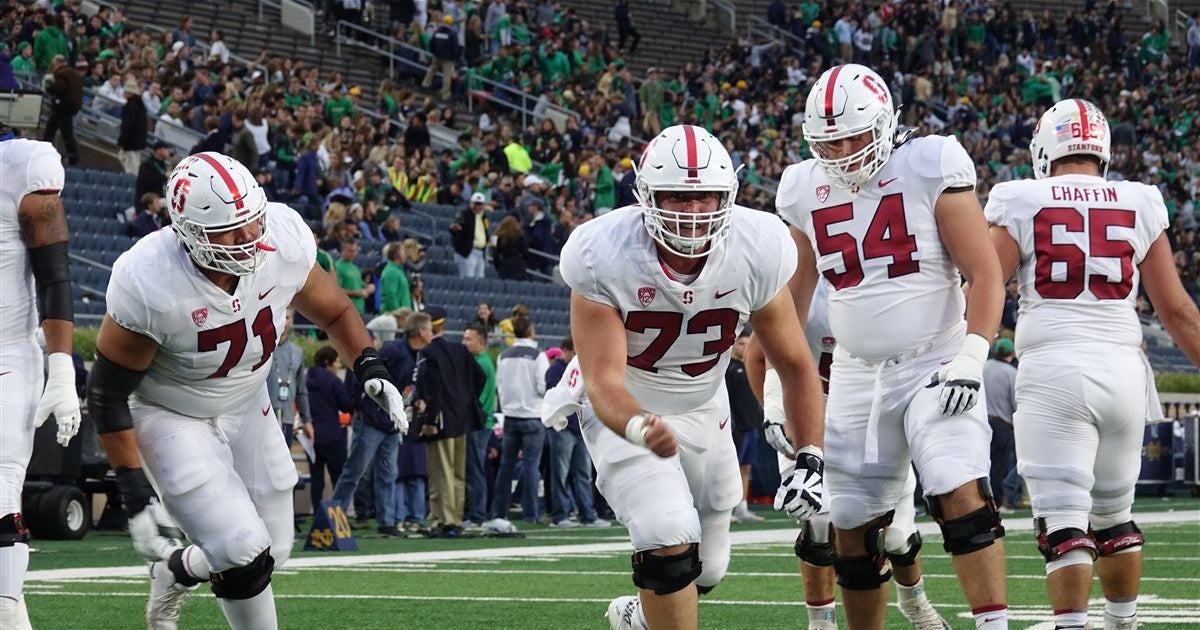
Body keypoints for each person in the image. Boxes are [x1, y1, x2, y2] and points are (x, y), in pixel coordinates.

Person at [85, 152, 408, 630]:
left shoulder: (281, 236)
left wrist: (368, 365)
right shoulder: (150, 280)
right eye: (231, 231)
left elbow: (335, 311)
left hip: (246, 395)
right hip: (170, 411)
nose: (250, 238)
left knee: (272, 547)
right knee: (240, 547)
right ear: (189, 233)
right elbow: (107, 394)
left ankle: (177, 569)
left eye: (252, 221)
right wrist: (133, 492)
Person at [560, 124, 826, 630]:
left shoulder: (758, 245)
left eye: (705, 196)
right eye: (677, 198)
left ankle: (640, 616)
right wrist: (640, 426)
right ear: (646, 196)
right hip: (626, 405)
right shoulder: (603, 252)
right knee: (666, 530)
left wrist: (811, 454)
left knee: (710, 567)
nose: (693, 211)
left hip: (705, 402)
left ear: (728, 195)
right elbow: (604, 381)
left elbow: (793, 364)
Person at [775, 64, 1007, 630]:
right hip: (856, 374)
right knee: (850, 524)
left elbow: (985, 273)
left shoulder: (928, 163)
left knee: (958, 488)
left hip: (936, 357)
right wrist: (773, 401)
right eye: (831, 140)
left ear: (886, 123)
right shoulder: (804, 186)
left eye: (855, 135)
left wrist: (972, 356)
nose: (845, 149)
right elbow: (786, 307)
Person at [985, 98, 1200, 630]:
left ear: (1045, 148)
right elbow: (1175, 309)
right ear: (1101, 151)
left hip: (1054, 368)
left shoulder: (1021, 197)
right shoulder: (1139, 200)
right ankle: (1123, 623)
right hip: (1123, 369)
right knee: (1113, 518)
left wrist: (958, 352)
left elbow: (986, 284)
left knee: (1063, 523)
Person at [744, 279, 950, 630]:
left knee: (896, 537)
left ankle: (915, 603)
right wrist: (775, 410)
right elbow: (759, 354)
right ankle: (821, 622)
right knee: (818, 522)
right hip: (812, 417)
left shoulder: (890, 286)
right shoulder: (808, 287)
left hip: (874, 418)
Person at [0, 135, 81, 629]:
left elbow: (55, 277)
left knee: (0, 490)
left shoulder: (21, 166)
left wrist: (63, 367)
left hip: (6, 354)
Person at [412, 307, 487, 536]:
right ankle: (455, 516)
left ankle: (443, 519)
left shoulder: (429, 353)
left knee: (441, 470)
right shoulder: (460, 350)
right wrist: (465, 400)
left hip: (442, 420)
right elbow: (480, 377)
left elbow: (432, 389)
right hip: (461, 419)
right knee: (457, 473)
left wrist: (430, 418)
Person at [540, 340, 611, 529]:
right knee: (560, 474)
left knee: (583, 474)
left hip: (580, 428)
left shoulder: (582, 365)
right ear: (566, 350)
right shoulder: (556, 370)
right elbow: (558, 400)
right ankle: (560, 515)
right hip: (564, 430)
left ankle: (587, 514)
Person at [490, 315, 549, 524]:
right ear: (531, 331)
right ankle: (531, 514)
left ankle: (498, 512)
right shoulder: (538, 356)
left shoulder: (503, 355)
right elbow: (543, 387)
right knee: (531, 466)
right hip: (532, 415)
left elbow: (500, 386)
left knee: (506, 466)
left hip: (511, 416)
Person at [724, 329, 764, 524]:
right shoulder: (729, 368)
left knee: (745, 468)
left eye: (748, 343)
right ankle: (725, 508)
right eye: (741, 343)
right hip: (736, 427)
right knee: (729, 469)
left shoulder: (751, 366)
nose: (745, 347)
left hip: (751, 426)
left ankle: (742, 507)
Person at [463, 323, 497, 527]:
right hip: (482, 423)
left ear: (481, 342)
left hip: (478, 423)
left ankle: (476, 515)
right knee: (475, 469)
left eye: (469, 339)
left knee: (475, 470)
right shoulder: (481, 361)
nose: (464, 342)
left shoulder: (481, 364)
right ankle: (475, 512)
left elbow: (475, 399)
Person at [266, 308, 311, 449]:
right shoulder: (262, 348)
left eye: (287, 317)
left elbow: (301, 390)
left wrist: (307, 420)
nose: (284, 322)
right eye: (281, 316)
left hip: (287, 418)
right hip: (263, 417)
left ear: (292, 321)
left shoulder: (297, 352)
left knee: (283, 464)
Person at [982, 338, 1018, 511]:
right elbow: (1016, 403)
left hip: (980, 422)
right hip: (1002, 424)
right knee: (998, 466)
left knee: (981, 464)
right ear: (1010, 354)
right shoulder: (1011, 372)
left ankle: (979, 502)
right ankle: (996, 502)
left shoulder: (983, 366)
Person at [42, 54, 81, 165]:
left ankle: (73, 158)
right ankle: (44, 149)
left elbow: (60, 88)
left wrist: (49, 87)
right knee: (51, 129)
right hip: (71, 106)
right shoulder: (74, 73)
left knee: (64, 132)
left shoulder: (62, 73)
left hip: (62, 106)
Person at [449, 192, 489, 278]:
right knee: (468, 277)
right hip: (468, 252)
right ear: (471, 203)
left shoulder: (484, 217)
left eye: (480, 204)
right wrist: (455, 228)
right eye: (476, 204)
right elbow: (456, 225)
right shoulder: (464, 214)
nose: (477, 207)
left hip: (481, 252)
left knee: (480, 279)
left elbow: (485, 231)